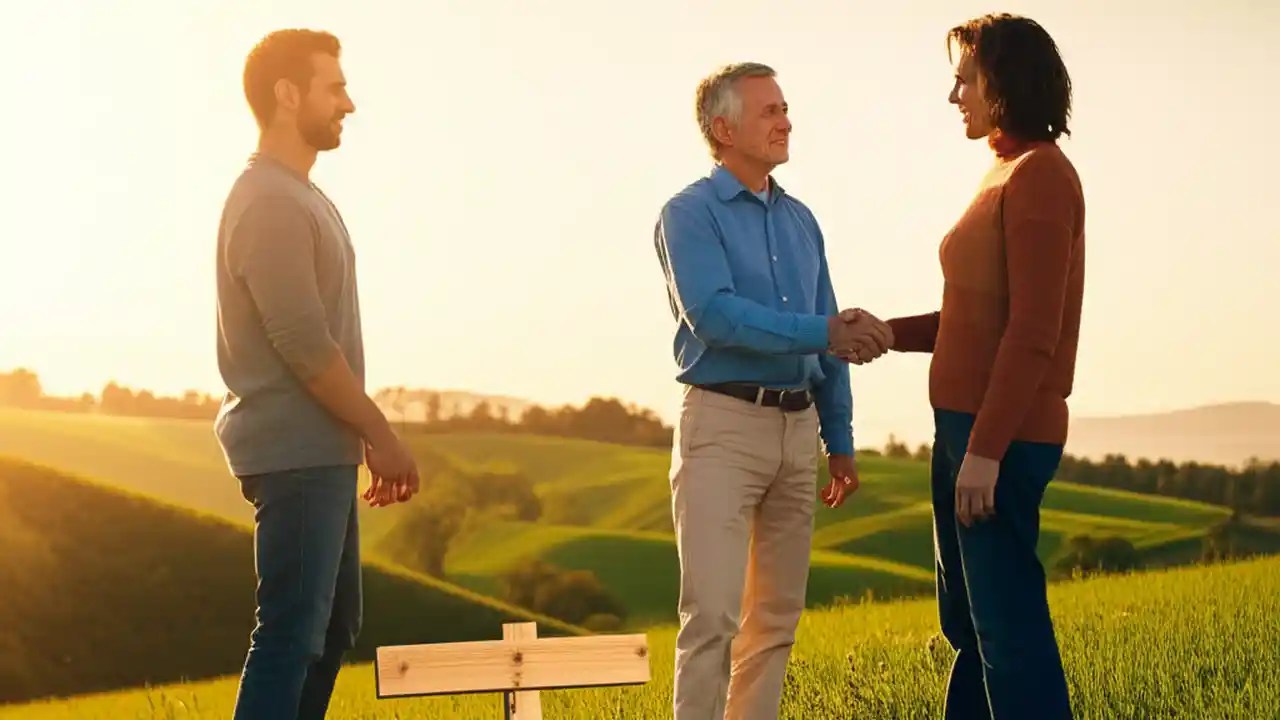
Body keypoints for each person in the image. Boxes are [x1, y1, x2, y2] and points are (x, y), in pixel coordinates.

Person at [846, 13, 1084, 720]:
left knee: (1006, 631)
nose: (955, 98)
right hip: (965, 432)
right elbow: (978, 321)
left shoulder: (1040, 175)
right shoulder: (1002, 170)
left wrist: (984, 450)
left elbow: (1033, 332)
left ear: (1003, 83)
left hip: (997, 438)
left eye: (964, 81)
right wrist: (890, 332)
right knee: (971, 628)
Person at [653, 62, 893, 720]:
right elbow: (716, 317)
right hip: (721, 429)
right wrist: (823, 331)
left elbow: (831, 333)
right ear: (723, 128)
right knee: (712, 619)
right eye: (769, 111)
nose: (785, 120)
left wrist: (838, 440)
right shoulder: (688, 215)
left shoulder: (802, 221)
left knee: (776, 623)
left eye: (785, 108)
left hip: (796, 433)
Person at [213, 29, 421, 720]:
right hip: (294, 451)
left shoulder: (300, 195)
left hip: (321, 450)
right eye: (335, 88)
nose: (348, 104)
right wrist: (380, 432)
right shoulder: (270, 200)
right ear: (286, 93)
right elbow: (303, 343)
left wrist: (356, 437)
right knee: (292, 636)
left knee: (329, 632)